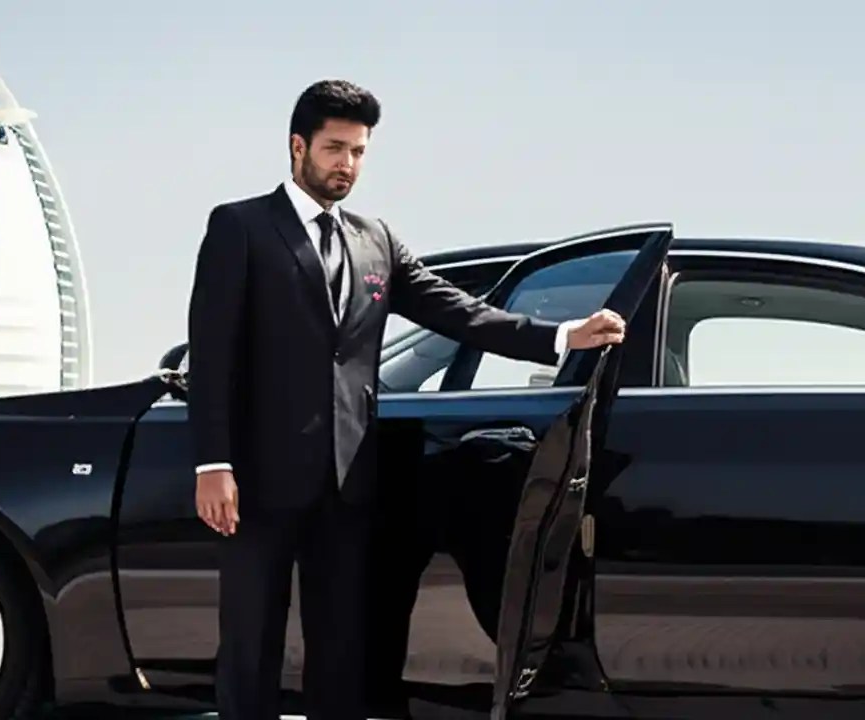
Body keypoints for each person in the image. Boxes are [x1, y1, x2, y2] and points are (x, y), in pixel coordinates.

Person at [186, 79, 625, 720]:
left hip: (347, 483)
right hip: (257, 481)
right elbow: (214, 352)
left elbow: (457, 312)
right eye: (336, 149)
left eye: (360, 152)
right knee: (251, 647)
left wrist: (560, 335)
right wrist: (212, 465)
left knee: (342, 651)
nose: (348, 165)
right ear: (297, 146)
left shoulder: (376, 239)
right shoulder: (241, 228)